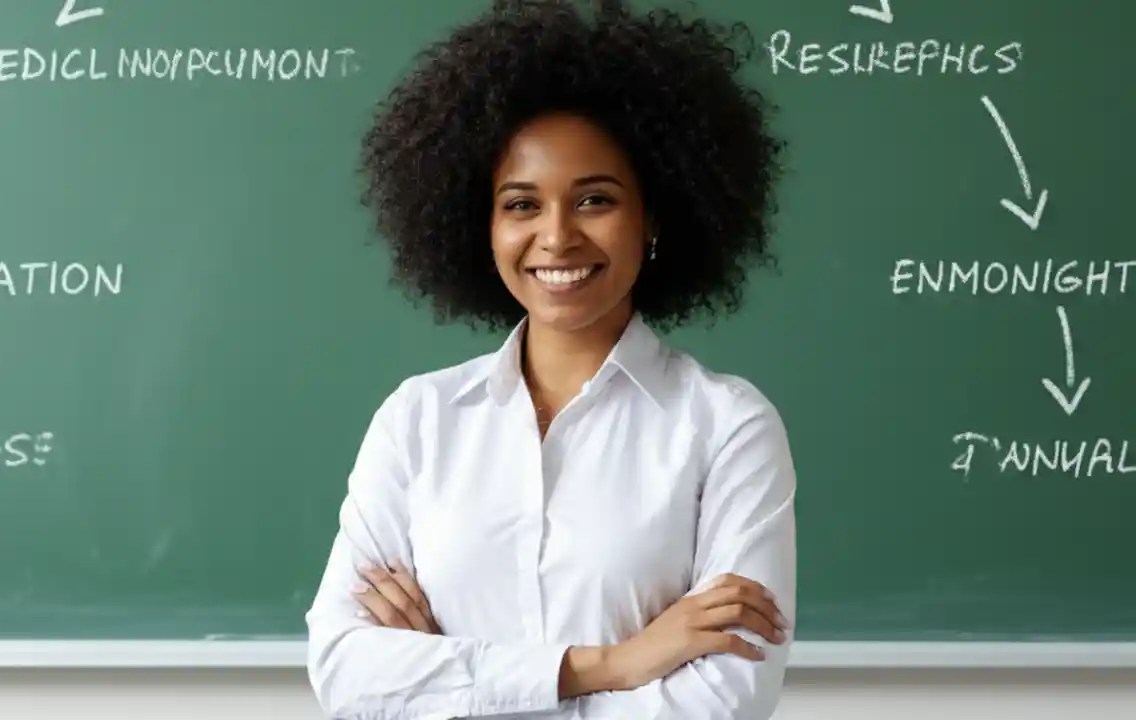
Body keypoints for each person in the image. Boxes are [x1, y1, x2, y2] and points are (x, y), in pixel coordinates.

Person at [305, 1, 795, 717]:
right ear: (483, 224)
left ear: (654, 215)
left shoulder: (726, 427)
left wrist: (451, 678)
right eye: (521, 204)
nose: (557, 237)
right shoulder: (419, 420)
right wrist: (613, 664)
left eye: (594, 199)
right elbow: (347, 673)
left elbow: (724, 700)